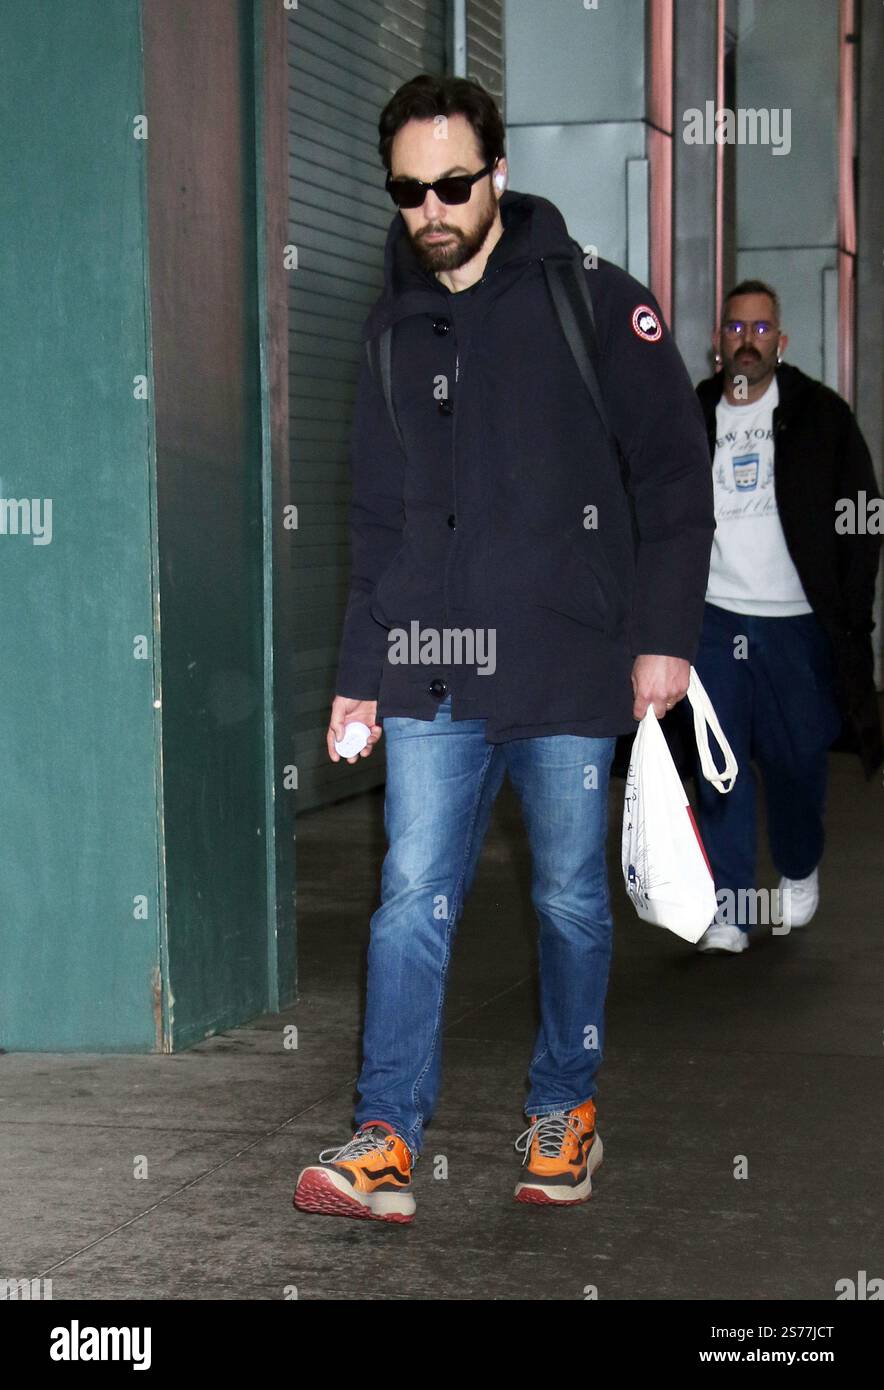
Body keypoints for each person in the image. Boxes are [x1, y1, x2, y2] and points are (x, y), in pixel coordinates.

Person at [293, 74, 714, 1223]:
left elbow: (675, 479)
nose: (430, 207)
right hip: (429, 660)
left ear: (498, 176)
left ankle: (563, 1110)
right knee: (408, 897)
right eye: (408, 191)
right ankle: (385, 1137)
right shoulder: (388, 331)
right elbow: (377, 526)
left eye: (452, 183)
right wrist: (354, 678)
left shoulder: (593, 303)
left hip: (568, 667)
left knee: (572, 901)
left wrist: (659, 639)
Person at [692, 280, 882, 954]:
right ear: (719, 339)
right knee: (721, 765)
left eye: (762, 328)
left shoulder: (821, 417)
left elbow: (863, 518)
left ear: (782, 340)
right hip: (714, 619)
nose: (748, 339)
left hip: (795, 623)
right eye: (736, 327)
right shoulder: (693, 414)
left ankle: (799, 865)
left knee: (798, 760)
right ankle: (730, 909)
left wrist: (849, 617)